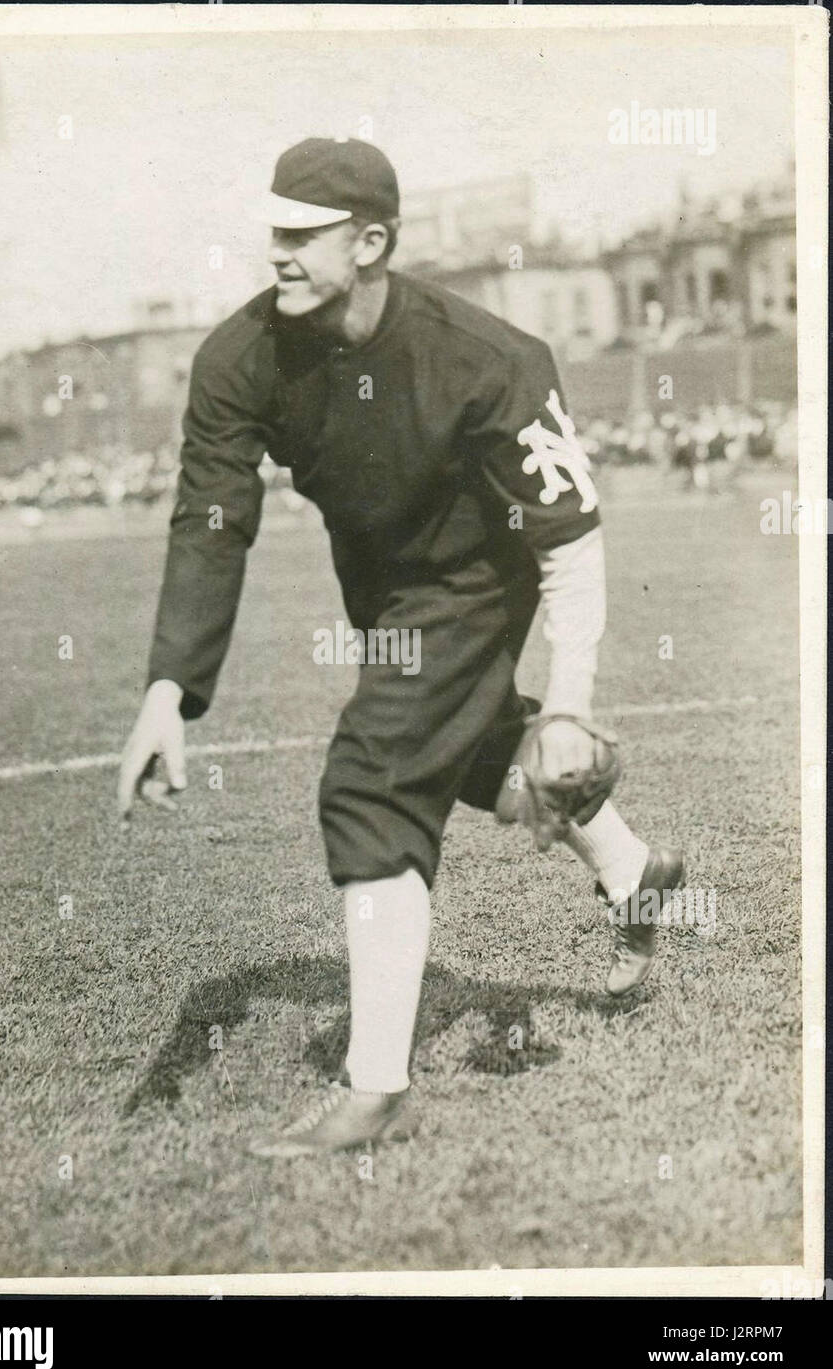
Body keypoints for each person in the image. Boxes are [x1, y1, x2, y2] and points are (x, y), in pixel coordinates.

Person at [117, 138, 684, 1157]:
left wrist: (568, 708)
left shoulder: (486, 356)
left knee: (375, 779)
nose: (276, 253)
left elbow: (568, 535)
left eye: (301, 234)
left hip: (477, 571)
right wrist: (170, 687)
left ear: (371, 241)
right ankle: (634, 871)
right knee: (462, 748)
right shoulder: (238, 357)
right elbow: (209, 517)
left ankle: (376, 1089)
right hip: (378, 580)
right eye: (272, 231)